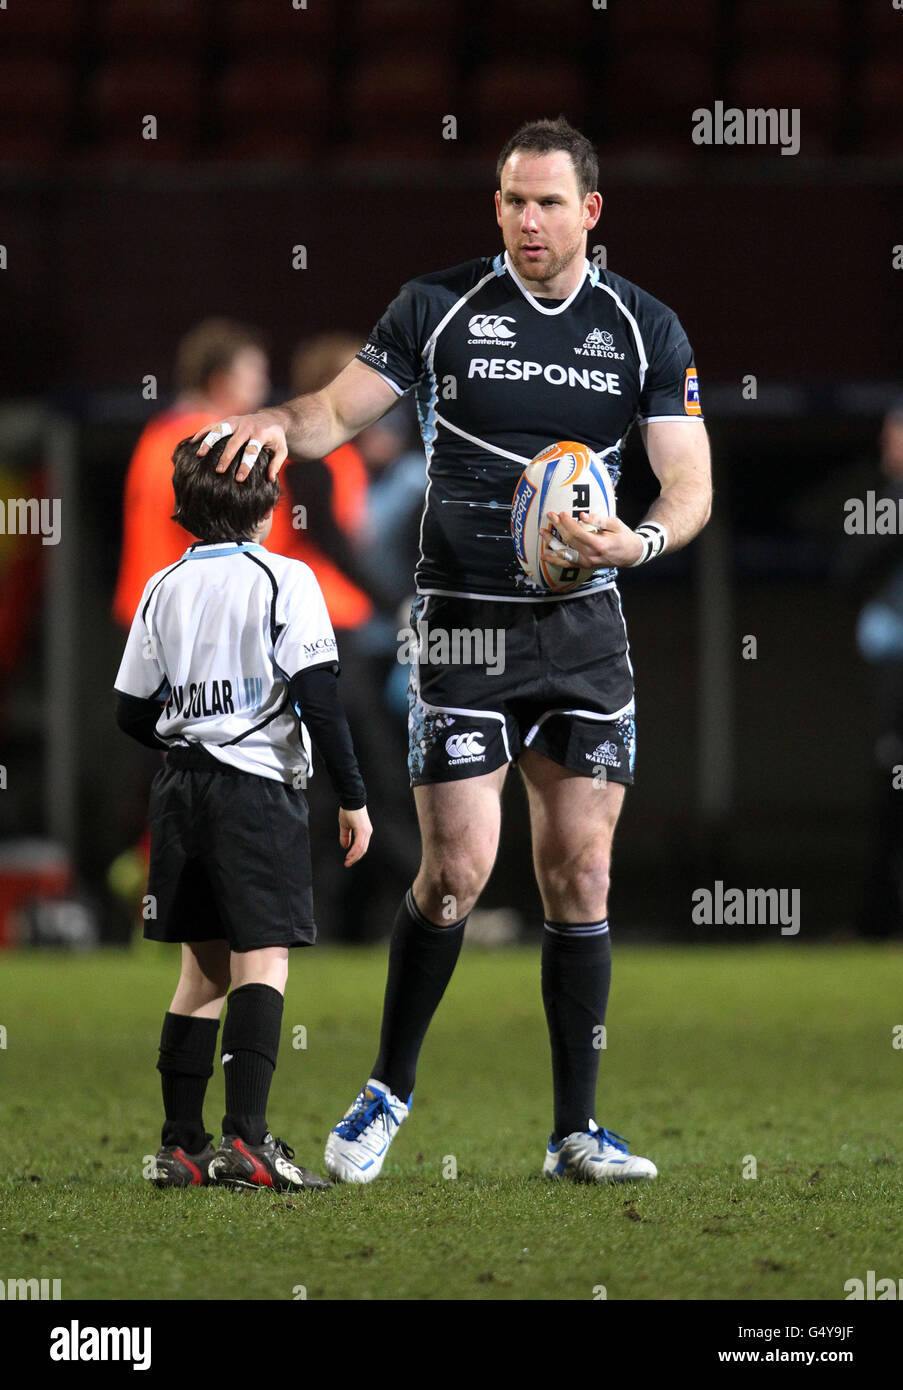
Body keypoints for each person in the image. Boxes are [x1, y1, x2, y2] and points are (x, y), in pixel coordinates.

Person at [196, 117, 712, 1185]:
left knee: (580, 870)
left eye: (549, 202)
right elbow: (335, 412)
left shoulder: (643, 328)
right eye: (513, 201)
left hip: (584, 628)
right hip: (463, 624)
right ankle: (388, 1088)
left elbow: (689, 476)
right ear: (497, 208)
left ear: (591, 212)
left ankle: (576, 1130)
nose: (529, 220)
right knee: (458, 870)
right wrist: (273, 427)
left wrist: (642, 537)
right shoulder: (438, 309)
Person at [113, 434, 372, 1190]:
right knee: (264, 958)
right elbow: (320, 699)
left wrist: (184, 730)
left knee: (200, 971)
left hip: (180, 789)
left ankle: (180, 1148)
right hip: (254, 791)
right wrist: (353, 797)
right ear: (268, 505)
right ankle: (248, 1140)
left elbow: (130, 710)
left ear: (184, 506)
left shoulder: (163, 585)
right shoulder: (284, 577)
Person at [113, 318, 270, 628]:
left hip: (149, 605)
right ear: (220, 381)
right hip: (193, 615)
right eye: (254, 374)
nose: (263, 387)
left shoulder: (157, 432)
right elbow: (219, 535)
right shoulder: (214, 441)